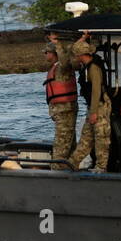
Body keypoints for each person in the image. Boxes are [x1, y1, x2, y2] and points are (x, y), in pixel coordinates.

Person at [68, 37, 113, 172]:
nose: (75, 57)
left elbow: (96, 91)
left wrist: (94, 112)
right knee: (86, 138)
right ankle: (72, 163)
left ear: (81, 55)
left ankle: (101, 167)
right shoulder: (86, 67)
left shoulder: (93, 68)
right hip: (93, 107)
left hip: (99, 107)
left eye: (77, 55)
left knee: (101, 138)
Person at [43, 34, 79, 169]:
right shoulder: (55, 68)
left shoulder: (63, 67)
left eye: (47, 53)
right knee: (69, 143)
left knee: (61, 146)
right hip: (61, 112)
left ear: (54, 53)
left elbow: (64, 59)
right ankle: (71, 169)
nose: (45, 55)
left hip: (66, 111)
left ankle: (57, 171)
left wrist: (57, 43)